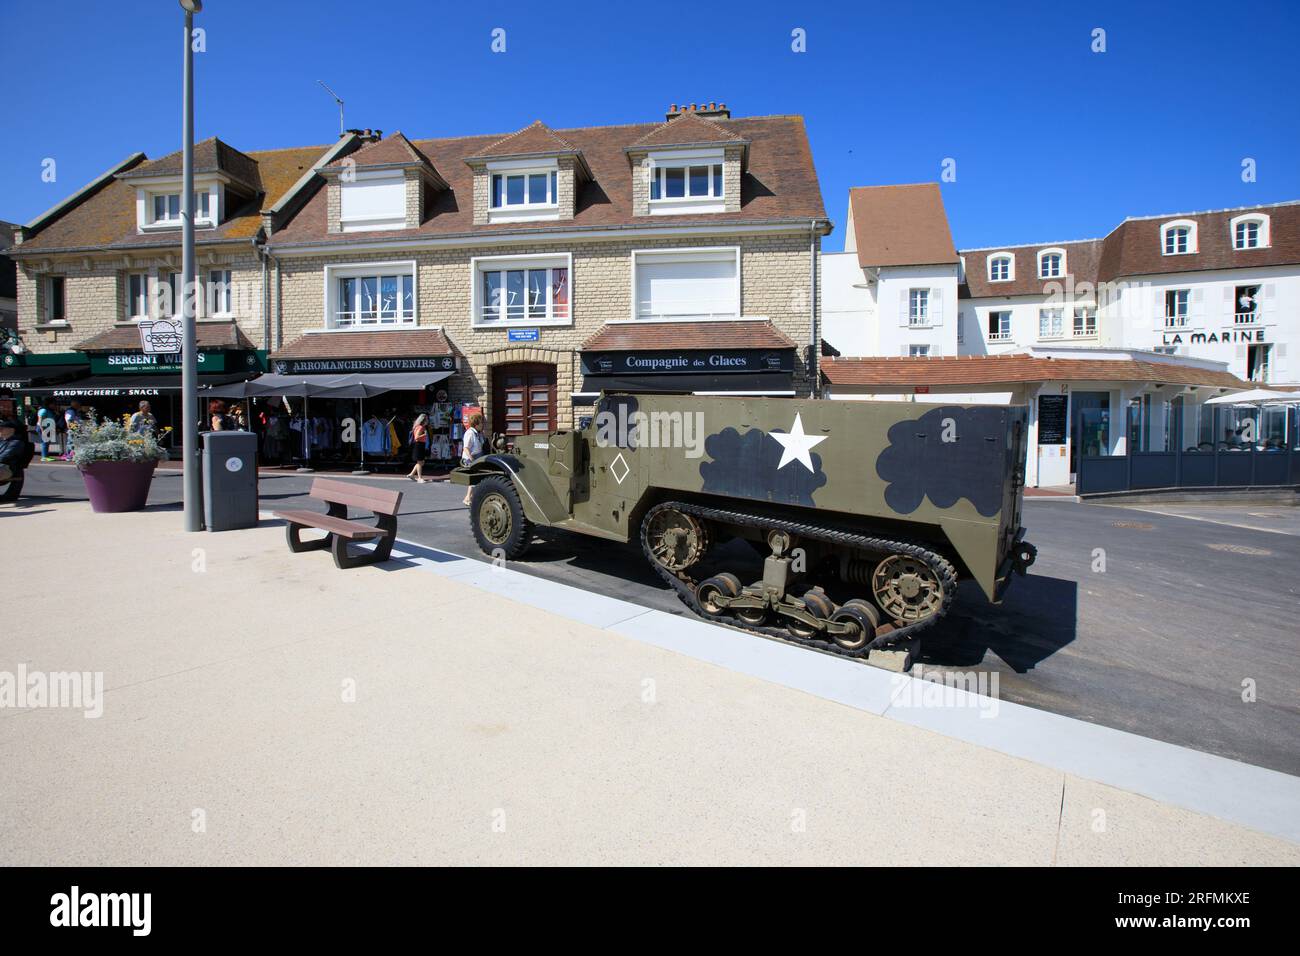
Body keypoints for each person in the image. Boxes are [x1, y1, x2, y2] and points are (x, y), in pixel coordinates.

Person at [0, 417, 35, 504]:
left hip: (7, 469)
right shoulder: (3, 441)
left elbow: (4, 457)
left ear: (12, 430)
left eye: (1, 429)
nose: (0, 431)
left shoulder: (16, 443)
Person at [461, 412, 486, 506]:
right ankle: (467, 498)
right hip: (470, 458)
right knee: (475, 478)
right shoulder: (470, 433)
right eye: (481, 423)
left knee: (477, 478)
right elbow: (466, 448)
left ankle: (470, 497)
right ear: (476, 424)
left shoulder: (478, 433)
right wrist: (472, 460)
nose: (482, 424)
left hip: (478, 456)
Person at [406, 413, 430, 483]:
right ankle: (419, 478)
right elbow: (416, 437)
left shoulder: (417, 426)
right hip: (419, 445)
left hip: (419, 445)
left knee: (421, 462)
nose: (427, 421)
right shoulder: (421, 427)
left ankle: (411, 474)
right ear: (423, 420)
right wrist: (424, 434)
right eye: (426, 420)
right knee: (420, 462)